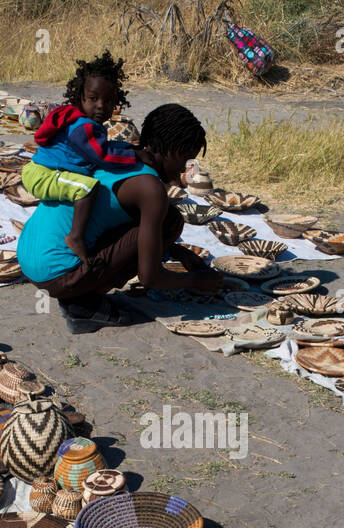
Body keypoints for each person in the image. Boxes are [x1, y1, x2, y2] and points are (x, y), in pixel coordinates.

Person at [17, 102, 223, 334]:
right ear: (172, 151)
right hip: (55, 274)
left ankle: (78, 292)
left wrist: (177, 252)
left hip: (29, 254)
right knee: (169, 222)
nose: (186, 171)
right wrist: (197, 280)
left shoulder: (121, 153)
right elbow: (150, 277)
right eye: (186, 160)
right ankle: (83, 305)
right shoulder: (151, 189)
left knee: (162, 220)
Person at [20, 51, 150, 262]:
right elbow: (103, 155)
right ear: (80, 96)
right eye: (93, 98)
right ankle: (76, 237)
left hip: (46, 171)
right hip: (43, 174)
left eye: (108, 101)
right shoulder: (82, 127)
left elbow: (103, 146)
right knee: (88, 189)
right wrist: (135, 156)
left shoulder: (82, 121)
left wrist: (127, 149)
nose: (101, 105)